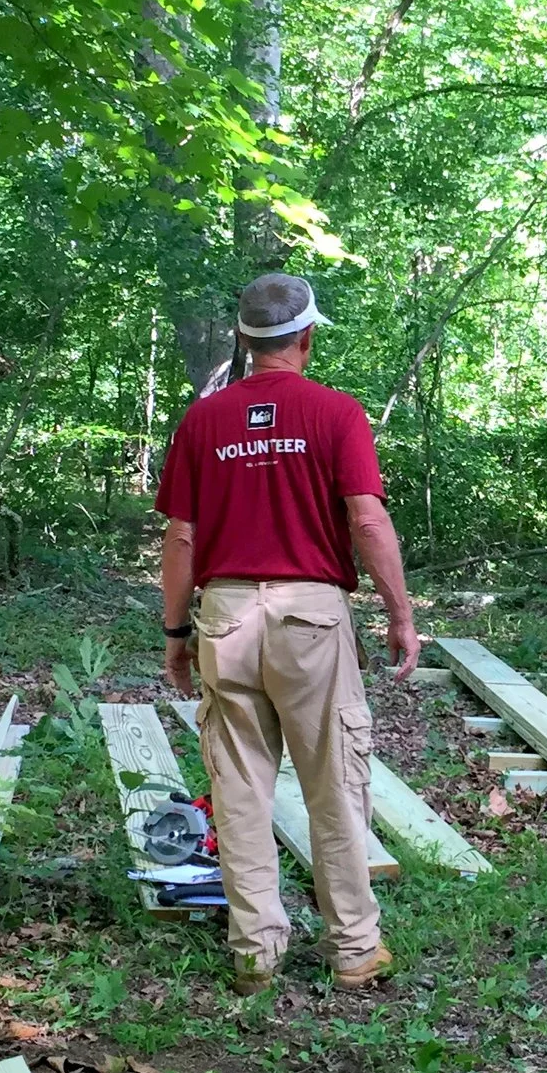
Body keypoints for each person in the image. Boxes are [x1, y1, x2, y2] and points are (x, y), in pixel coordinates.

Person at [156, 274, 421, 994]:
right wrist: (400, 613)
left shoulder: (204, 421)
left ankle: (256, 953)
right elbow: (367, 519)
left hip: (227, 615)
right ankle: (355, 948)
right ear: (306, 337)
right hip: (310, 616)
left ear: (244, 339)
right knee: (334, 781)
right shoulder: (336, 412)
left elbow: (181, 538)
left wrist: (177, 632)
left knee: (239, 788)